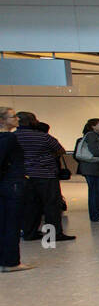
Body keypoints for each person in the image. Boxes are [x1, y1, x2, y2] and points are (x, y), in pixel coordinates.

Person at [16, 113, 71, 242]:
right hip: (46, 175)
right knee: (51, 205)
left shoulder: (14, 137)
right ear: (32, 122)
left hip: (25, 176)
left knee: (30, 206)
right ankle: (52, 235)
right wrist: (48, 156)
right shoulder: (43, 137)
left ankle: (29, 233)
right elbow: (60, 150)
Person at [0, 107, 32, 272]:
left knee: (5, 223)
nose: (17, 119)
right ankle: (11, 262)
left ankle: (6, 259)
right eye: (13, 117)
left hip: (8, 184)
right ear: (3, 120)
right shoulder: (8, 138)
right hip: (12, 185)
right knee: (12, 223)